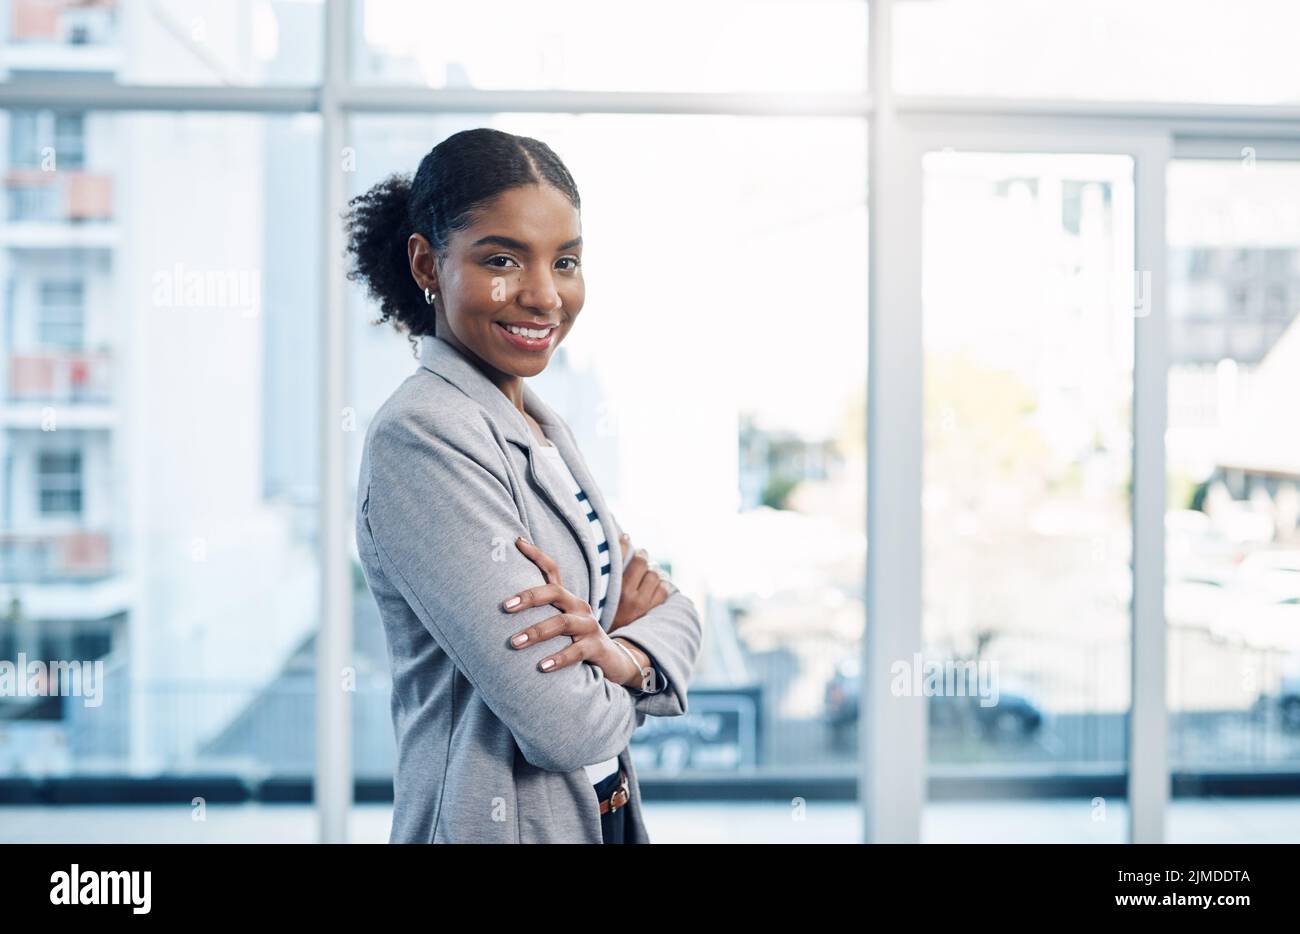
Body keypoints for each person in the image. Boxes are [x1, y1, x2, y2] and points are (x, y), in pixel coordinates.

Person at [344, 127, 703, 843]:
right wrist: (638, 662)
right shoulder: (423, 436)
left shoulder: (538, 423)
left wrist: (617, 649)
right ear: (427, 262)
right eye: (502, 259)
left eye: (565, 261)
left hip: (603, 814)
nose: (544, 295)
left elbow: (669, 603)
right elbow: (564, 726)